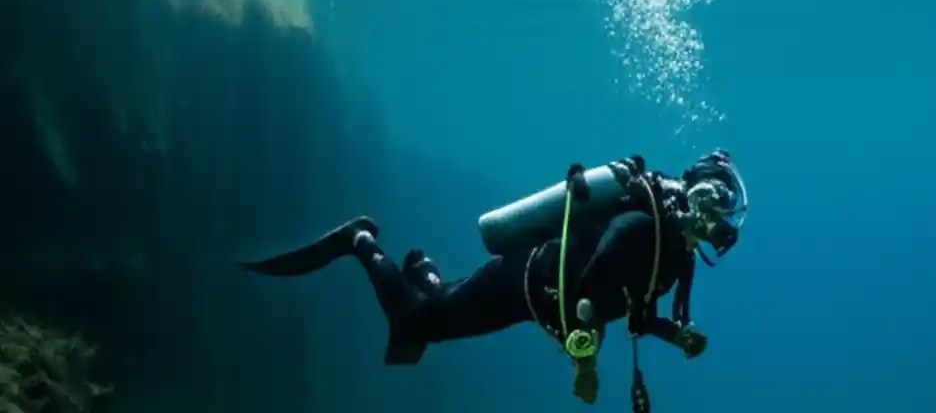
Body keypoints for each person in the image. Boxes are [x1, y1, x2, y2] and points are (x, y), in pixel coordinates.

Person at [238, 150, 749, 407]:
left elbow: (640, 315)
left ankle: (422, 271)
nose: (721, 219)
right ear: (698, 192)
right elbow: (592, 286)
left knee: (446, 309)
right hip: (525, 280)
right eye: (720, 203)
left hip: (536, 298)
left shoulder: (677, 256)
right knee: (418, 324)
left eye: (728, 211)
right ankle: (361, 242)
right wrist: (584, 364)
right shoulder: (641, 227)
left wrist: (674, 333)